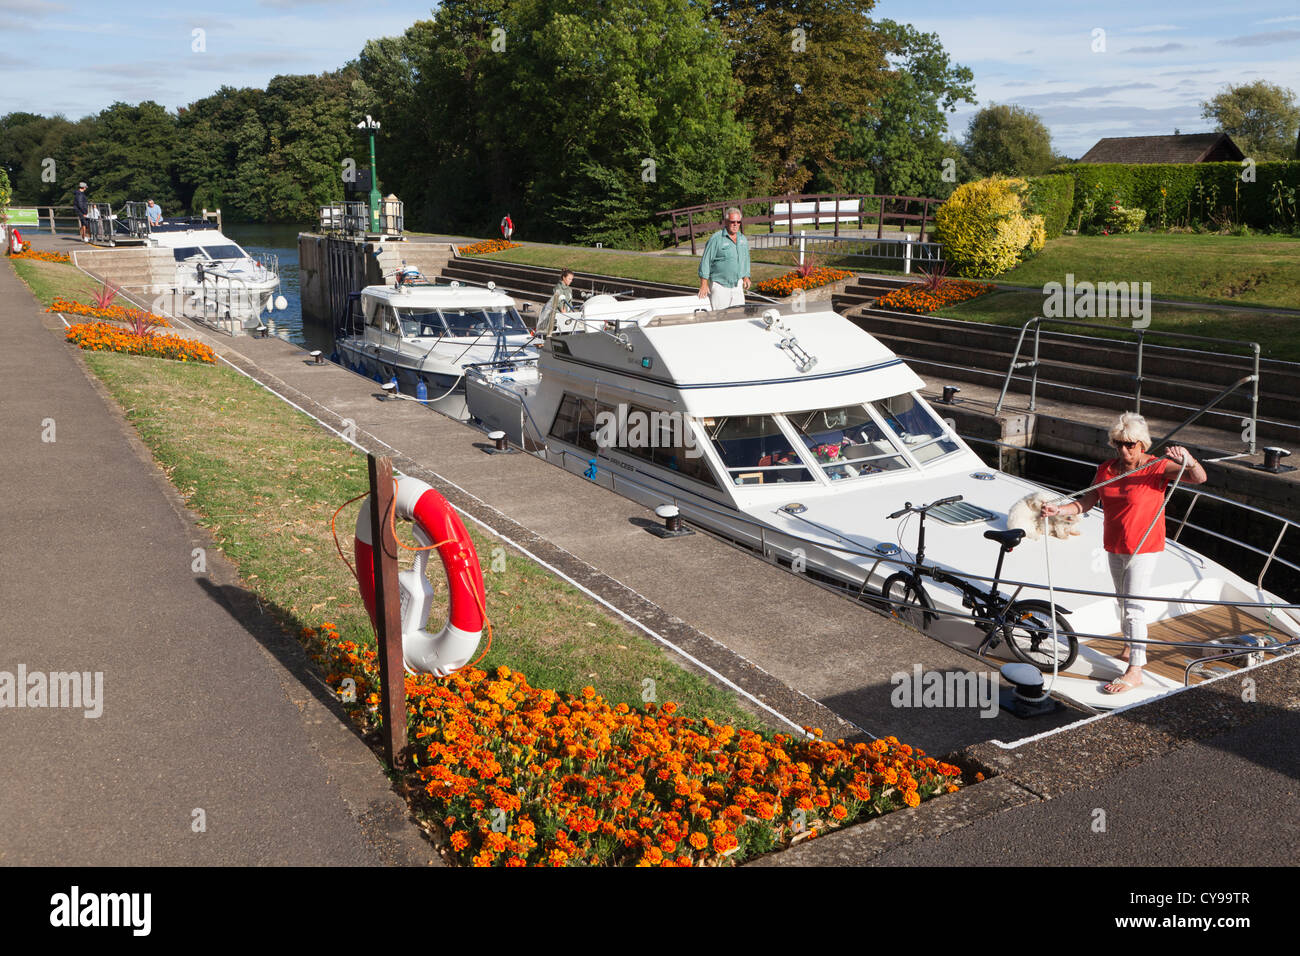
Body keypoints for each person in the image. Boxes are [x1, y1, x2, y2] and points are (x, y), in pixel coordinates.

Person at [1041, 413, 1206, 694]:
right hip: (1115, 544)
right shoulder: (1106, 469)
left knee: (1133, 607)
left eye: (1130, 444)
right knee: (1121, 601)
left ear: (1142, 444)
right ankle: (1130, 647)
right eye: (1119, 443)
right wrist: (1060, 510)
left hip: (1144, 547)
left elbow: (1198, 478)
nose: (1124, 449)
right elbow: (1086, 502)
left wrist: (1187, 459)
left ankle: (1135, 670)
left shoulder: (1157, 467)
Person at [697, 207, 750, 310]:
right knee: (721, 318)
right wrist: (704, 284)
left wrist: (746, 276)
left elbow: (745, 259)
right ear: (726, 222)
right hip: (720, 286)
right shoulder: (716, 239)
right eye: (732, 222)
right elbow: (706, 261)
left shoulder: (743, 239)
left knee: (739, 316)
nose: (736, 224)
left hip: (737, 285)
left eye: (738, 222)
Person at [537, 268, 575, 336]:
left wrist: (572, 312)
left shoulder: (569, 289)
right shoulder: (557, 288)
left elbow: (570, 302)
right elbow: (558, 301)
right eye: (569, 279)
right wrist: (563, 311)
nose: (571, 281)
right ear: (564, 277)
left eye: (572, 279)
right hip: (559, 316)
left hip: (568, 316)